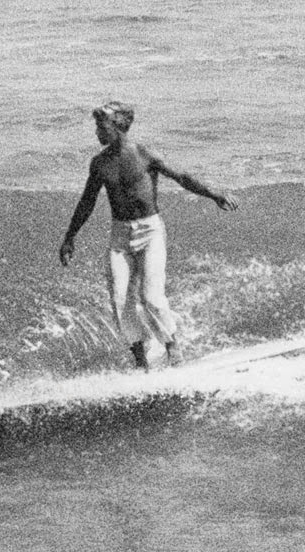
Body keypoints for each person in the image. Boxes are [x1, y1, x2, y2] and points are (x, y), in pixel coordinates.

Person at [59, 101, 238, 370]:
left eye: (101, 126)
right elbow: (87, 201)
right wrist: (70, 236)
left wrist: (214, 194)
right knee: (121, 300)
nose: (97, 132)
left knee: (152, 298)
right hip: (120, 236)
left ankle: (172, 347)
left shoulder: (144, 154)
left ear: (117, 126)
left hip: (150, 231)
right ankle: (141, 361)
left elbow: (182, 177)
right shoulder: (99, 164)